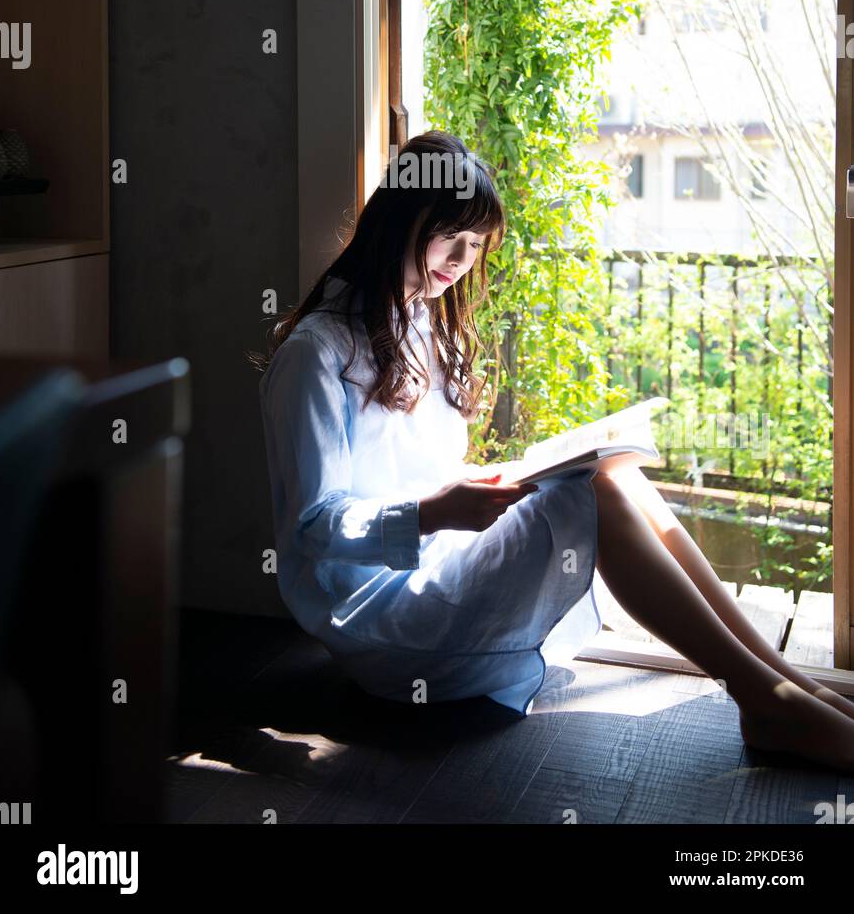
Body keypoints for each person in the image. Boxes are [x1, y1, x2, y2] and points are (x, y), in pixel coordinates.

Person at [253, 131, 854, 770]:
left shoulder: (420, 325)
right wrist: (433, 513)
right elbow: (312, 528)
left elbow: (417, 473)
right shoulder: (315, 356)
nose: (460, 258)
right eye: (448, 233)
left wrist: (484, 482)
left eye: (476, 243)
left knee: (614, 474)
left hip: (437, 562)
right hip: (383, 623)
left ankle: (784, 682)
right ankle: (768, 701)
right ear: (401, 217)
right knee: (591, 495)